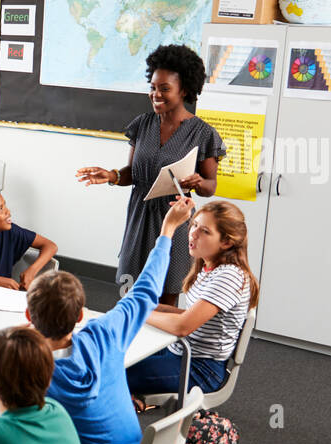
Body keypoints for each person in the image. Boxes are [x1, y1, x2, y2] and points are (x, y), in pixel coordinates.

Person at [0, 195, 196, 444]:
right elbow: (146, 290)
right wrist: (167, 230)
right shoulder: (106, 332)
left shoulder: (30, 370)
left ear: (27, 315)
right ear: (80, 316)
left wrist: (9, 339)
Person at [76, 43, 226, 305]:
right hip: (139, 216)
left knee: (167, 296)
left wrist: (198, 182)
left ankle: (161, 347)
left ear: (185, 90)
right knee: (130, 293)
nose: (156, 94)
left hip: (175, 217)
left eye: (164, 89)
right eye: (153, 88)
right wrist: (111, 175)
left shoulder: (203, 133)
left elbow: (210, 186)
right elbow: (132, 174)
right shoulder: (142, 124)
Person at [126, 201, 259, 402]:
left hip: (200, 368)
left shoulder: (229, 276)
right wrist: (150, 306)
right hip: (180, 350)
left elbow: (182, 326)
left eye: (205, 231)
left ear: (227, 242)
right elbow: (192, 316)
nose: (193, 233)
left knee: (115, 373)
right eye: (194, 225)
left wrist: (139, 312)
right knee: (115, 355)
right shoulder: (208, 267)